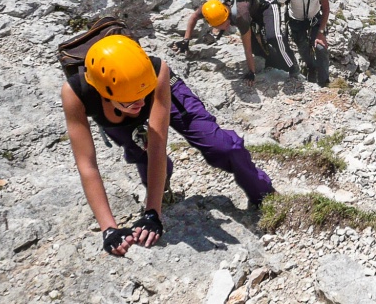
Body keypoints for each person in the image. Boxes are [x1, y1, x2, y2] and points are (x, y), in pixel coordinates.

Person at [62, 35, 274, 257]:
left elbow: (157, 145)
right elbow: (87, 166)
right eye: (131, 101)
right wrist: (108, 228)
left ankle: (264, 193)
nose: (141, 105)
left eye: (143, 97)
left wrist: (153, 213)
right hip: (115, 113)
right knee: (140, 154)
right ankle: (162, 190)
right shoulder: (75, 94)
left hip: (165, 91)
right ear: (102, 92)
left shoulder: (156, 71)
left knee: (223, 147)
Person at [177, 0, 297, 83]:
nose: (223, 28)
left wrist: (251, 72)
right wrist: (186, 40)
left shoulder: (240, 16)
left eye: (221, 26)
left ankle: (292, 66)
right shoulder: (211, 10)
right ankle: (270, 62)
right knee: (257, 50)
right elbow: (193, 17)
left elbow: (247, 48)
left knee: (274, 37)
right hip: (251, 11)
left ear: (226, 19)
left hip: (266, 5)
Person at [278, 0, 331, 86]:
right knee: (303, 47)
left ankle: (324, 82)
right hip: (296, 21)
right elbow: (277, 4)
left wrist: (321, 33)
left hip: (314, 19)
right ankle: (311, 67)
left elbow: (326, 8)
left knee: (321, 48)